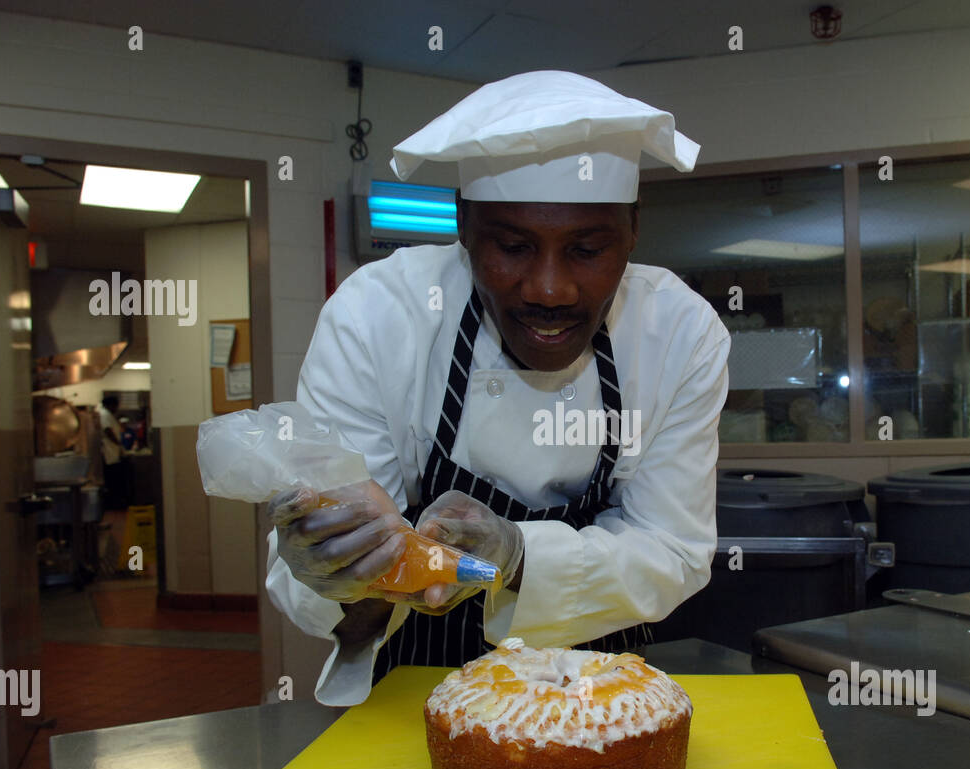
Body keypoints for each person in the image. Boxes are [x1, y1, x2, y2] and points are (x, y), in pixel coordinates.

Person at [265, 71, 730, 705]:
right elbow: (349, 596)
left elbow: (670, 548)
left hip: (596, 694)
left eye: (587, 249)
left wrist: (515, 556)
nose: (548, 289)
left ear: (633, 234)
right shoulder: (378, 316)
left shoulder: (678, 332)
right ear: (463, 227)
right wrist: (340, 573)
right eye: (512, 247)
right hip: (410, 693)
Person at [98, 395, 127, 510]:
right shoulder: (104, 414)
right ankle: (113, 505)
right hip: (109, 453)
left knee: (114, 480)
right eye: (116, 406)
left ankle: (115, 503)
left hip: (112, 453)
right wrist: (118, 443)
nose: (117, 409)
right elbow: (107, 430)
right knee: (113, 481)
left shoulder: (107, 415)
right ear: (110, 405)